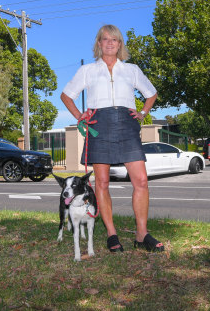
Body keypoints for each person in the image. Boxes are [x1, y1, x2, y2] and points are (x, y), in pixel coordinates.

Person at [60, 24, 164, 253]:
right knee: (103, 183)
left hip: (127, 124)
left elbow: (151, 93)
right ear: (99, 43)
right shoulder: (87, 70)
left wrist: (143, 113)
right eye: (105, 39)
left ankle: (141, 234)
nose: (110, 43)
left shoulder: (132, 70)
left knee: (141, 181)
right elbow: (66, 95)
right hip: (100, 124)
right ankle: (111, 234)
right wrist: (80, 116)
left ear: (119, 44)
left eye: (114, 40)